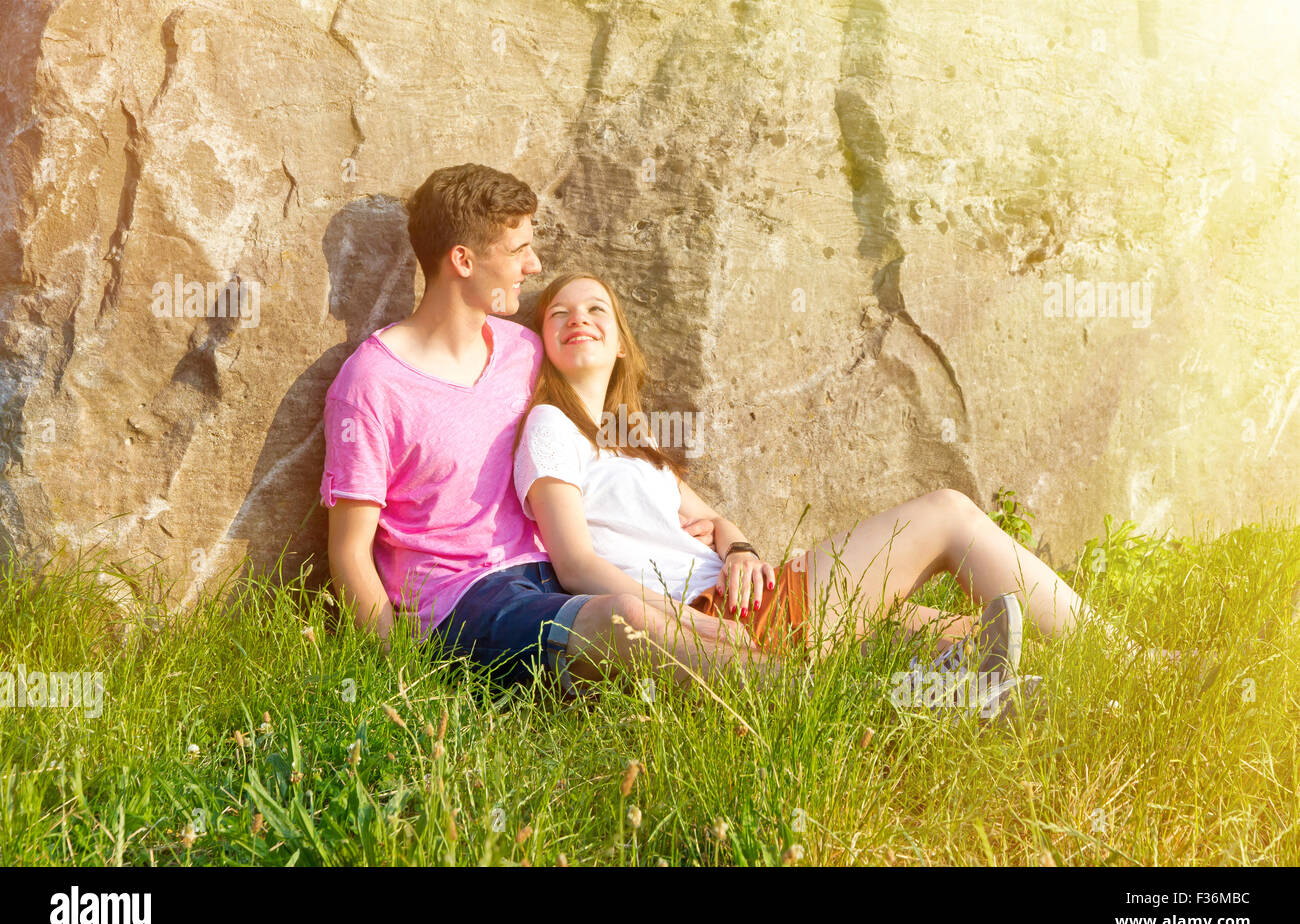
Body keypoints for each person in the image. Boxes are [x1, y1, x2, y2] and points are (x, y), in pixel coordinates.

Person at [511, 272, 1160, 710]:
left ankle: (1087, 701)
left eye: (597, 309)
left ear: (622, 342)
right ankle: (1136, 662)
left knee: (970, 639)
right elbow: (575, 565)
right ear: (542, 341)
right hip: (713, 621)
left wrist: (740, 552)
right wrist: (696, 623)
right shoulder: (551, 427)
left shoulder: (632, 436)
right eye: (559, 313)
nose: (579, 320)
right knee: (947, 514)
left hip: (748, 592)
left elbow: (712, 520)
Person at [321, 164, 771, 704]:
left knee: (669, 617)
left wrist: (698, 520)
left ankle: (780, 682)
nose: (532, 266)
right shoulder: (372, 385)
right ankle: (796, 698)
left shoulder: (525, 352)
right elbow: (349, 551)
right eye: (518, 251)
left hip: (555, 577)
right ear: (462, 260)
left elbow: (605, 428)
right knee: (627, 617)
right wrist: (398, 683)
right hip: (462, 603)